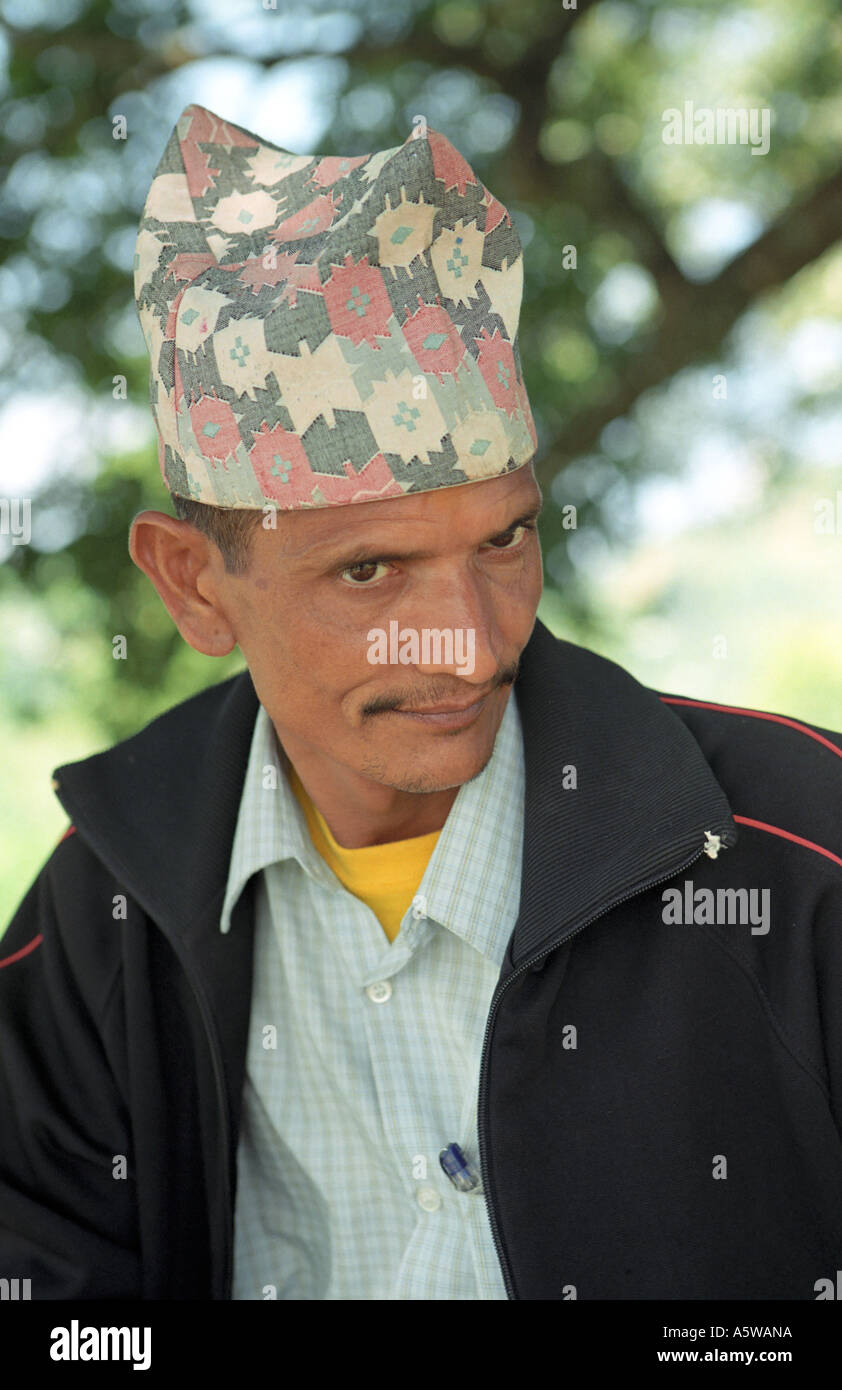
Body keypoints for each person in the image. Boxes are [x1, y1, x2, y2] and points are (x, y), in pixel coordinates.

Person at [1, 106, 840, 1302]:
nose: (472, 641)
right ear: (192, 584)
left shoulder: (804, 850)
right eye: (368, 570)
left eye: (502, 539)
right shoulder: (100, 921)